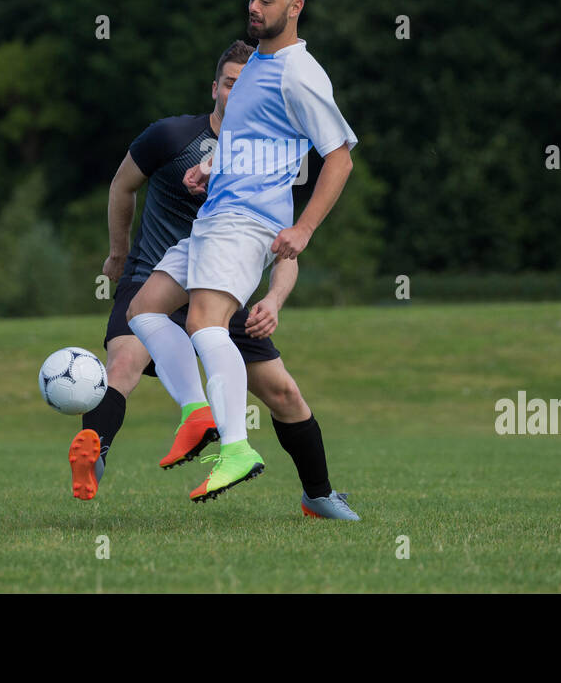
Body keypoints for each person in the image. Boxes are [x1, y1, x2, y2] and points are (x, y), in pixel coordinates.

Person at [69, 39, 358, 519]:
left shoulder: (279, 129)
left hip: (229, 269)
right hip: (171, 264)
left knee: (281, 390)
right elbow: (122, 184)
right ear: (215, 88)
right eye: (229, 83)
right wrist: (119, 252)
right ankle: (105, 449)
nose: (236, 92)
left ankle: (315, 492)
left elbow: (285, 239)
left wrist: (276, 298)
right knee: (132, 340)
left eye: (247, 85)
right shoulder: (171, 137)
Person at [126, 0, 358, 504]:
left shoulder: (300, 72)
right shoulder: (254, 62)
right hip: (217, 215)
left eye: (267, 1)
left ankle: (236, 447)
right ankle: (197, 414)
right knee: (145, 310)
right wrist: (210, 167)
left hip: (247, 222)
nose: (254, 8)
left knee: (207, 323)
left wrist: (302, 229)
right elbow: (253, 134)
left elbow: (340, 158)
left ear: (295, 7)